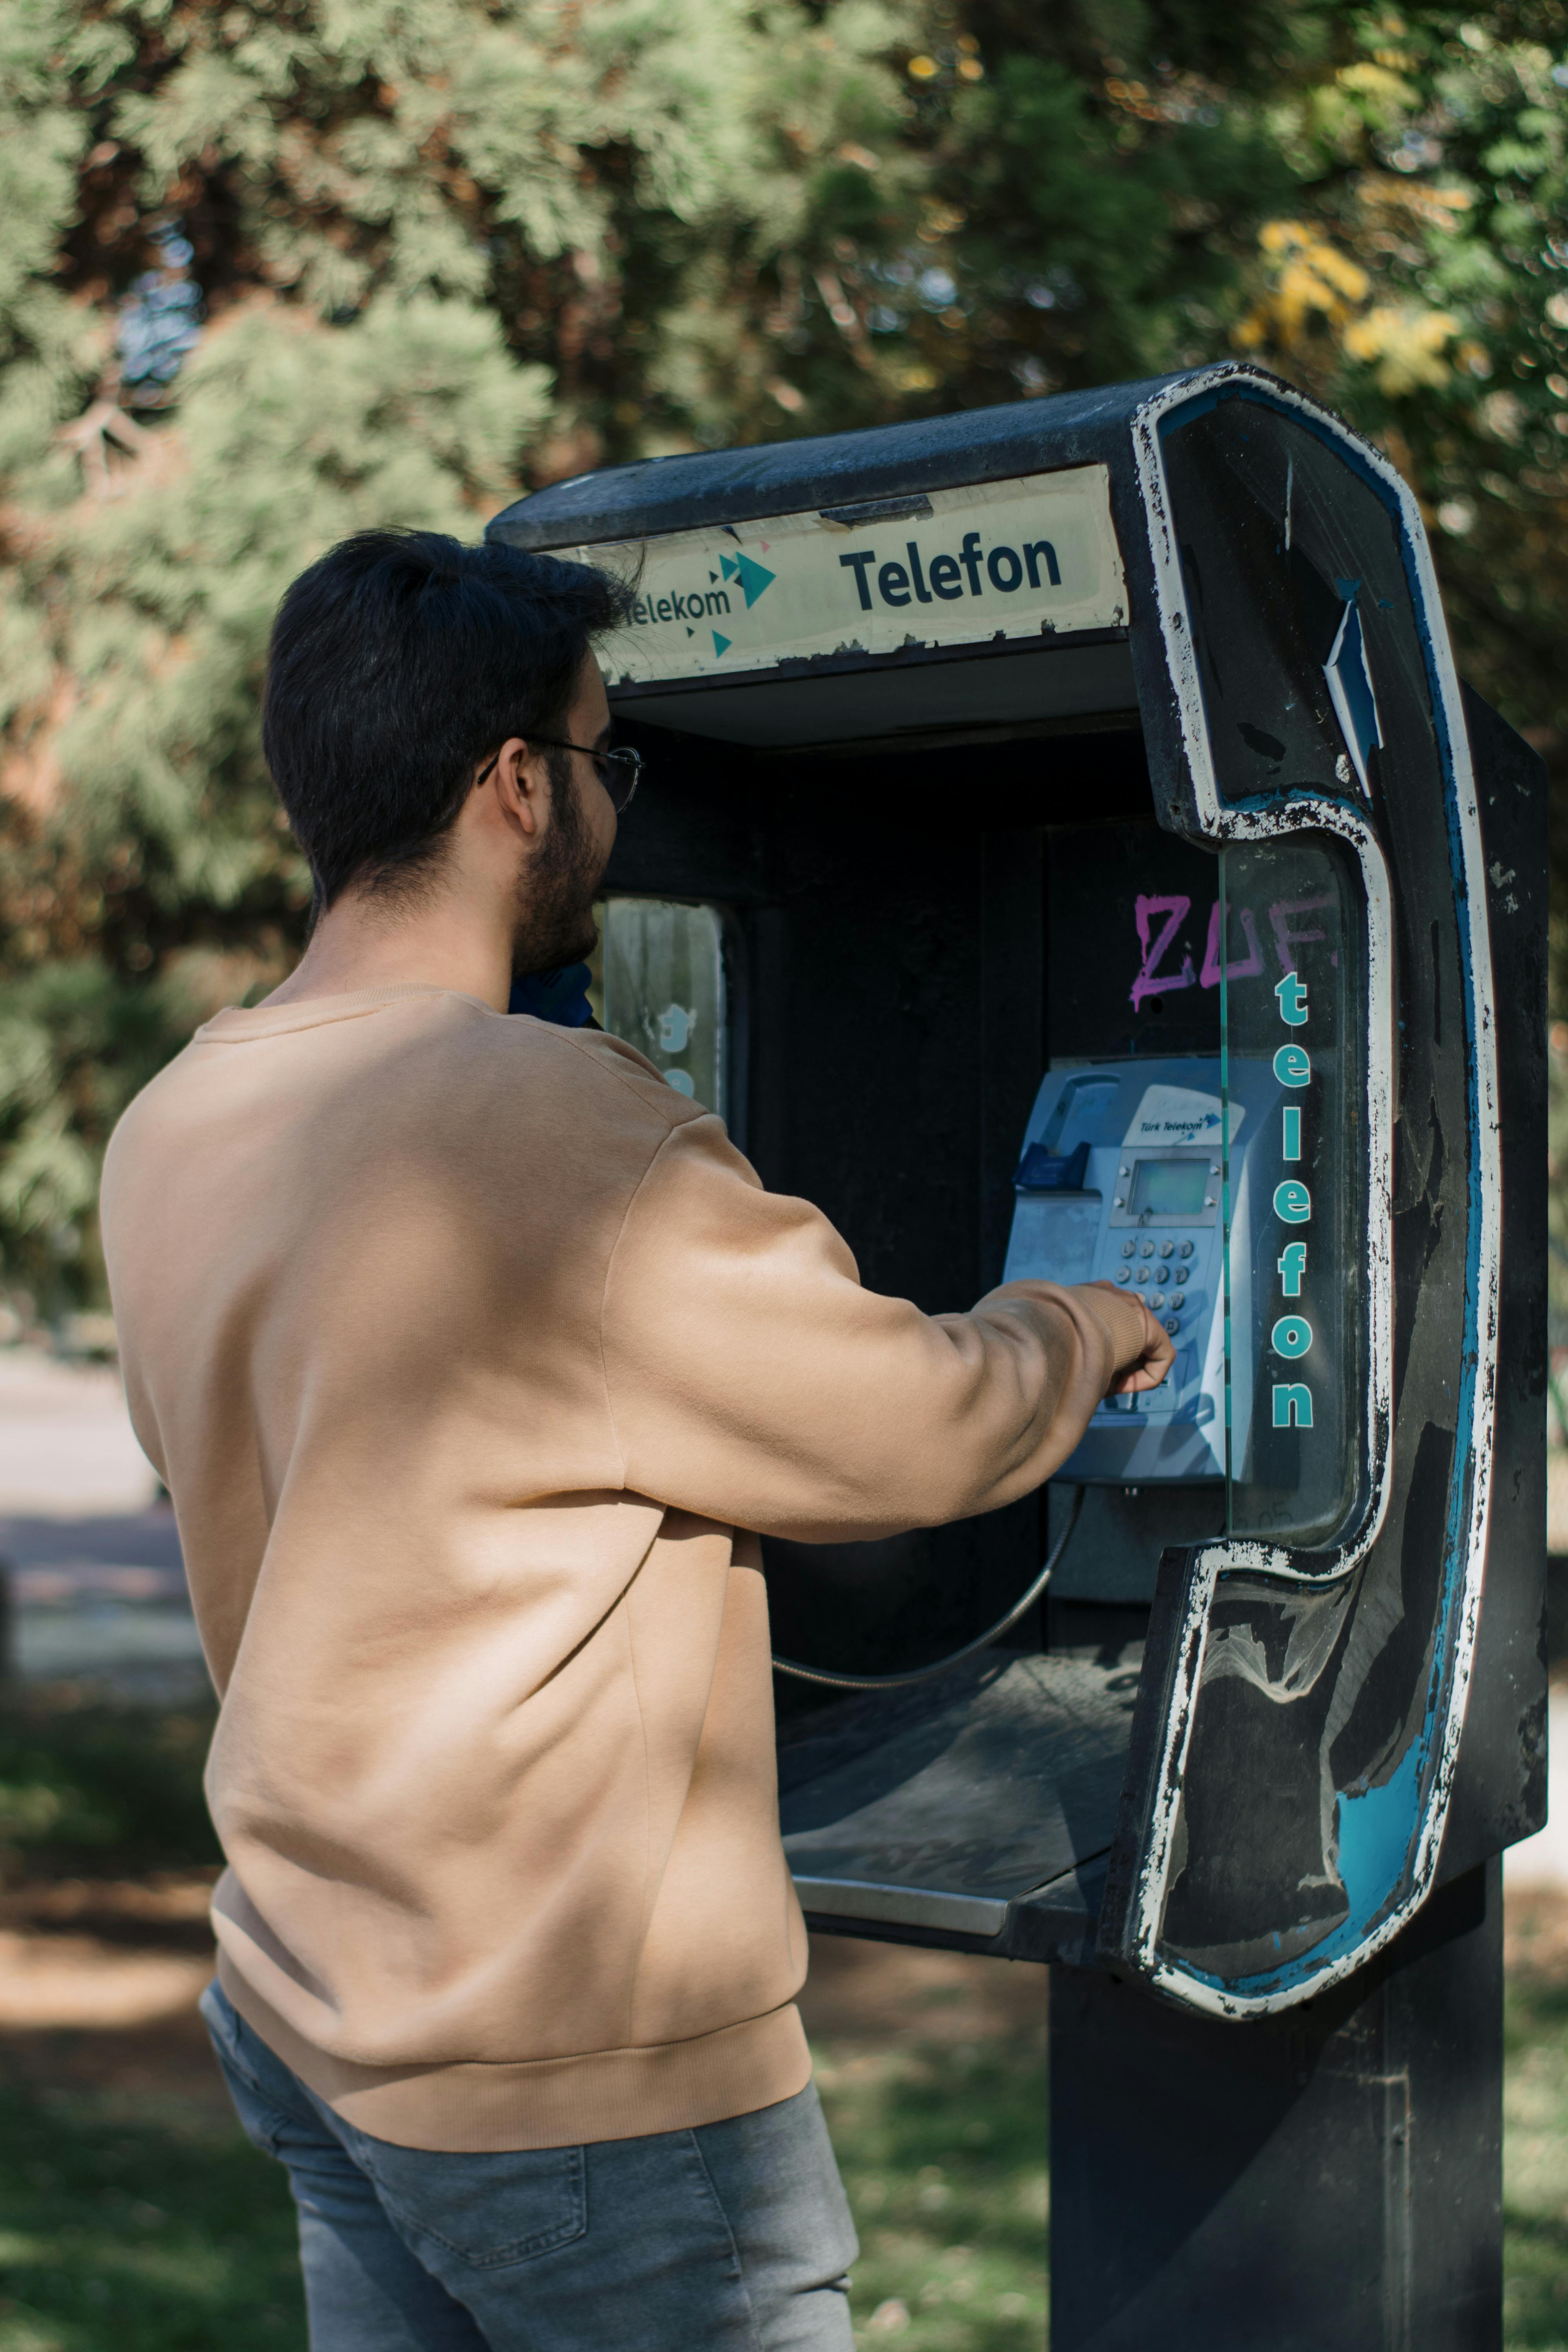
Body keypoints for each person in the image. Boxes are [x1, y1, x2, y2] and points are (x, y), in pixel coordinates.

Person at [99, 528, 1172, 2351]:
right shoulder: (553, 1128)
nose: (615, 807)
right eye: (610, 759)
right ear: (517, 787)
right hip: (578, 2072)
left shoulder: (177, 1122)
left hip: (310, 2000)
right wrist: (1084, 1322)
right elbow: (916, 1431)